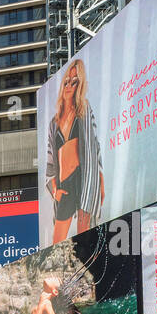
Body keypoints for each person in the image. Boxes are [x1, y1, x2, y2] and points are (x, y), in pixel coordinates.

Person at [44, 57, 103, 243]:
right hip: (65, 185)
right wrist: (55, 191)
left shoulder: (84, 110)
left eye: (74, 81)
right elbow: (50, 161)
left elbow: (95, 146)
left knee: (85, 240)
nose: (69, 85)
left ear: (80, 85)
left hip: (84, 180)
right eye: (66, 81)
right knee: (57, 243)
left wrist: (99, 181)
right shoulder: (54, 122)